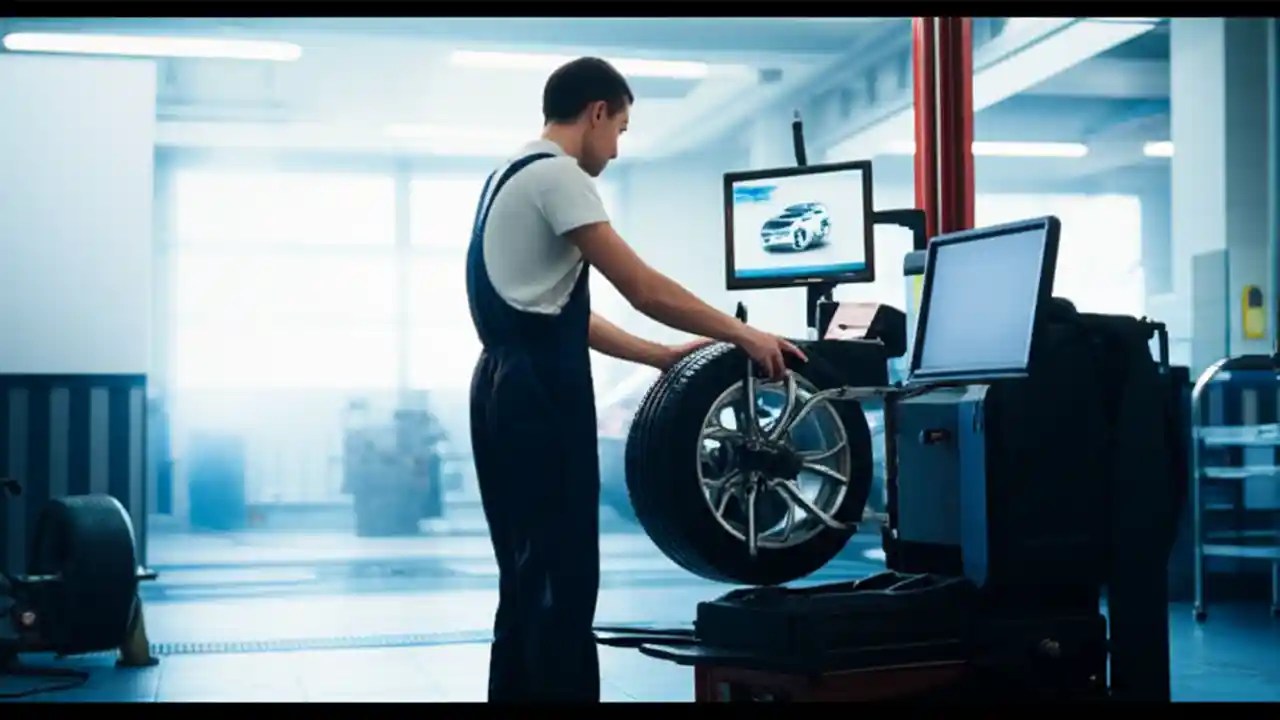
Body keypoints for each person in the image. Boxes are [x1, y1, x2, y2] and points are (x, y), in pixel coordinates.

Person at [465, 56, 806, 703]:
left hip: (500, 382)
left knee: (526, 579)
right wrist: (746, 334)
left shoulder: (504, 175)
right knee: (564, 581)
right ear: (597, 113)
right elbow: (643, 287)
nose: (617, 150)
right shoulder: (559, 176)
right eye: (620, 128)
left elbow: (560, 309)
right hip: (540, 389)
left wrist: (658, 356)